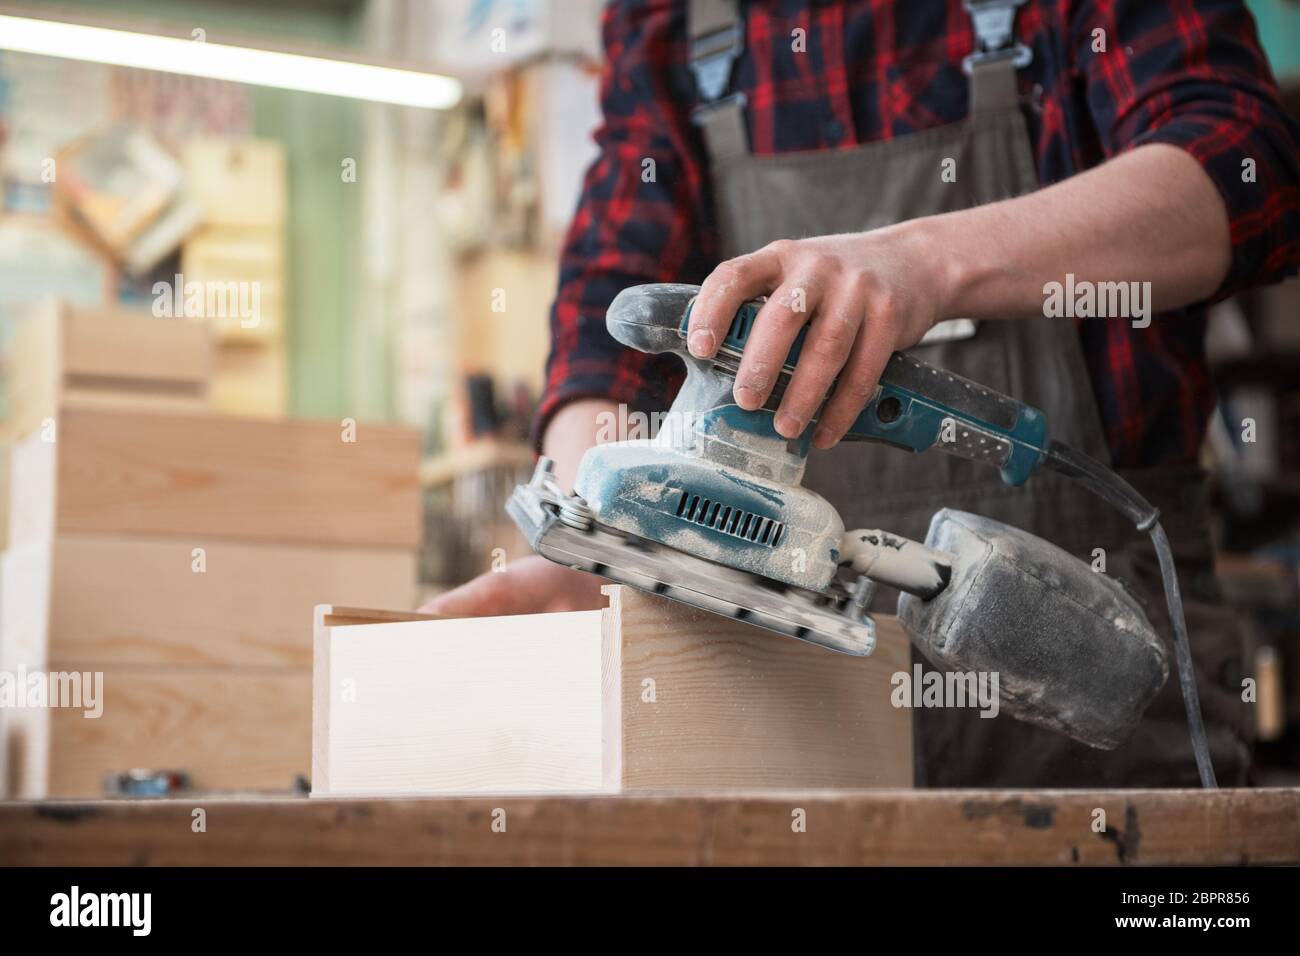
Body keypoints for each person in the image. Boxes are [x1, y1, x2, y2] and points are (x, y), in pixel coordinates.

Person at [427, 0, 1300, 787]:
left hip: (1097, 657)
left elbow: (1244, 166)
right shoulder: (672, 19)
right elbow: (607, 305)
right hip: (784, 711)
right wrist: (601, 549)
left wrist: (925, 263)